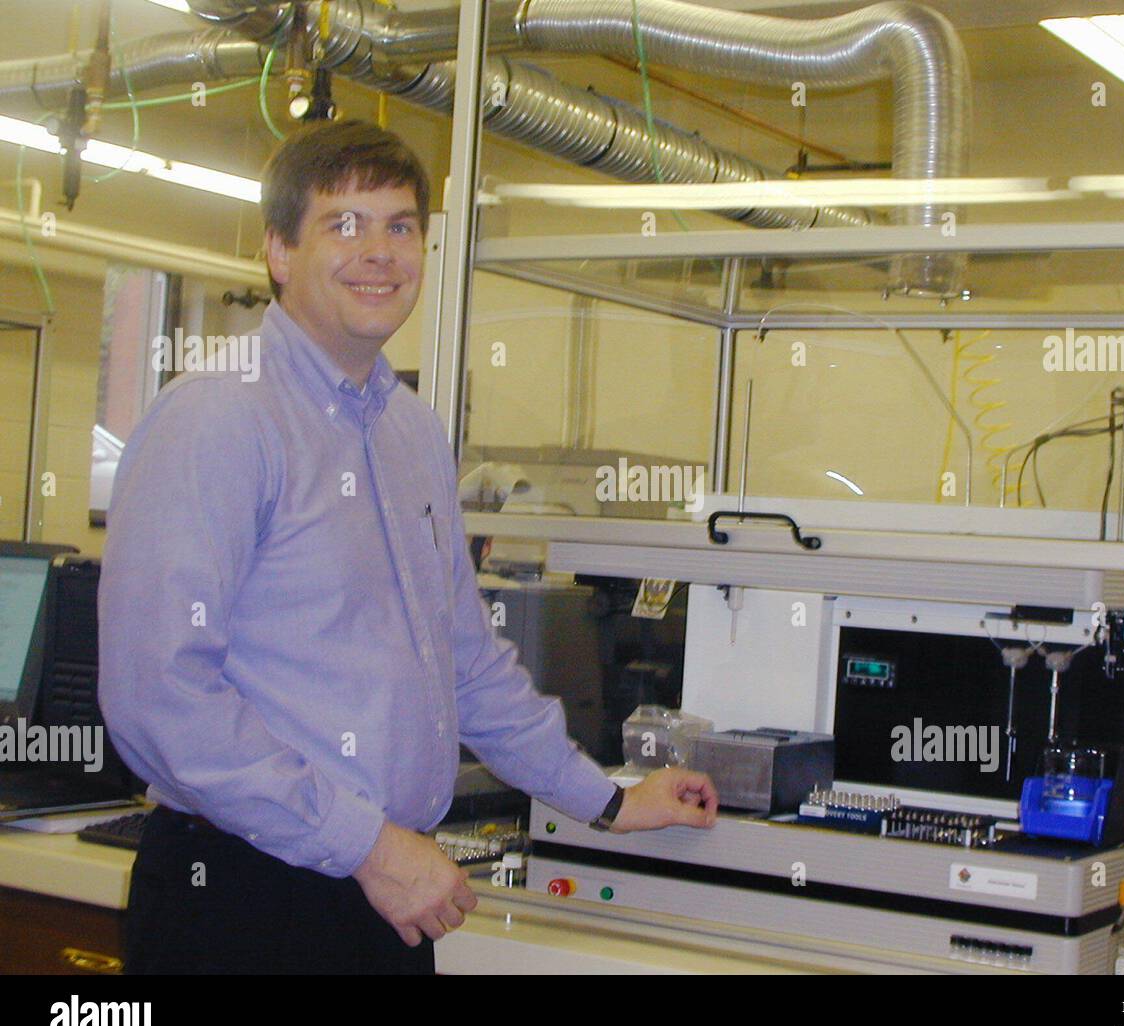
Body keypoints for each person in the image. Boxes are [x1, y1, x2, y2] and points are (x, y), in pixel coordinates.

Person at [99, 119, 718, 975]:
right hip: (245, 894)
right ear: (279, 251)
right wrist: (368, 847)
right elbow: (157, 693)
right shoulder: (218, 418)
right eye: (343, 224)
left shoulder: (411, 433)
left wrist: (606, 801)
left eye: (400, 226)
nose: (379, 252)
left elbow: (465, 661)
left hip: (383, 900)